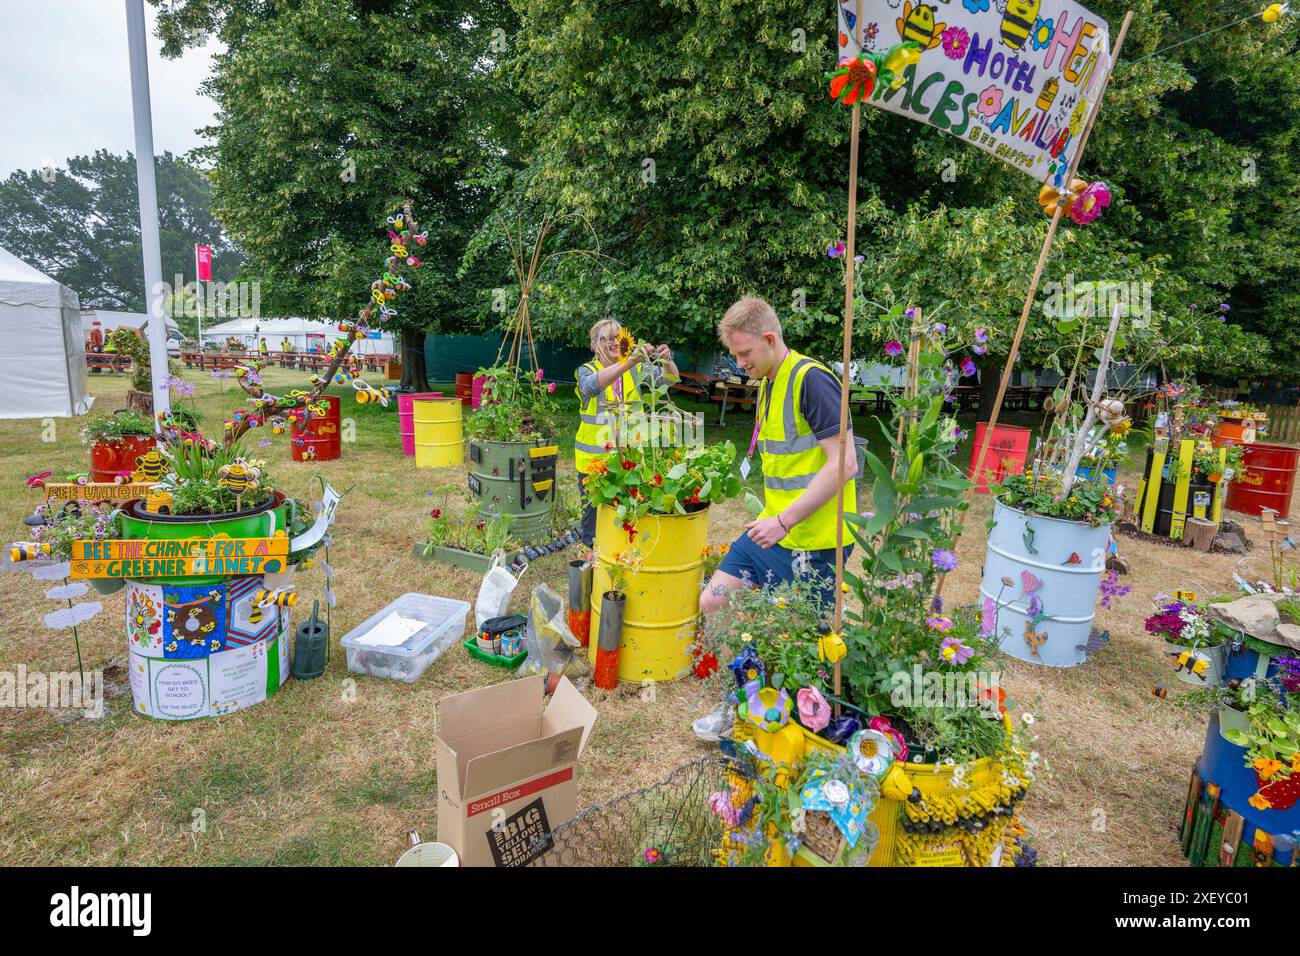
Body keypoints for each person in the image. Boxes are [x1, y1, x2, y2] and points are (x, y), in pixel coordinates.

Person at [700, 295, 856, 613]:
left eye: (745, 353)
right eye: (735, 355)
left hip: (814, 540)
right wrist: (774, 520)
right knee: (714, 599)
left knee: (808, 640)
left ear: (769, 339)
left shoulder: (811, 380)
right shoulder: (768, 383)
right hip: (775, 530)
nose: (740, 364)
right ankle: (745, 666)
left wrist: (783, 522)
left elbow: (845, 463)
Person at [574, 318, 679, 547]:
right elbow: (590, 386)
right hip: (595, 462)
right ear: (594, 345)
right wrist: (629, 360)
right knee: (593, 519)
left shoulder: (636, 369)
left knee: (628, 512)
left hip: (630, 460)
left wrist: (667, 360)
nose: (614, 343)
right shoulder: (586, 370)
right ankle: (592, 566)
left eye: (618, 338)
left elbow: (670, 380)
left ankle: (619, 556)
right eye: (607, 338)